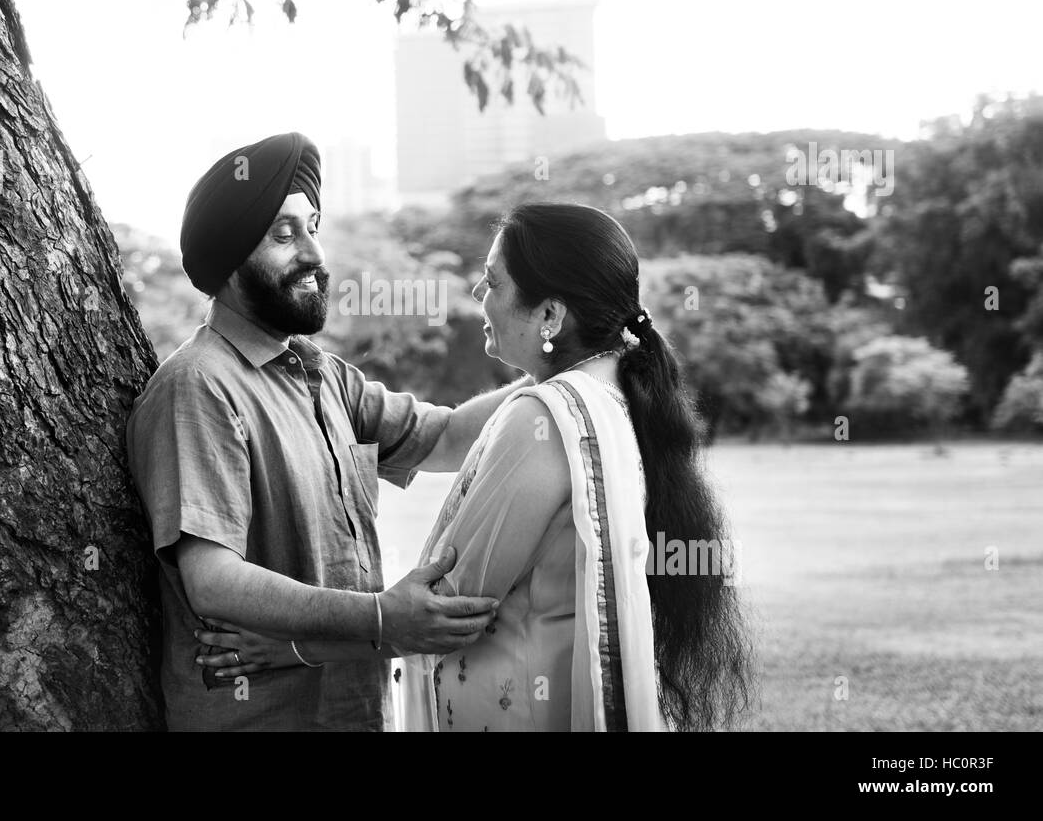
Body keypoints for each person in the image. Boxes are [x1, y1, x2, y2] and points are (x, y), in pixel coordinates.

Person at [197, 202, 755, 731]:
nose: (477, 292)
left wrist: (291, 647)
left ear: (551, 314)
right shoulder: (616, 396)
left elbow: (443, 609)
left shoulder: (543, 419)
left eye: (494, 281)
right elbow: (443, 436)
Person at [126, 132, 530, 731]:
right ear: (233, 261)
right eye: (284, 236)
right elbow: (212, 581)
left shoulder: (322, 374)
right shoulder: (198, 386)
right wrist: (379, 618)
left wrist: (567, 369)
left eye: (313, 226)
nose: (314, 254)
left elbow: (447, 438)